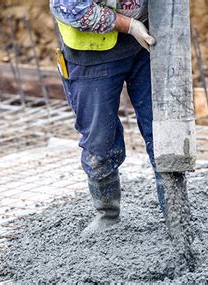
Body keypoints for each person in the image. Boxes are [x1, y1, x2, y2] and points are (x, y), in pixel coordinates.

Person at [50, 0, 163, 235]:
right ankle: (108, 213)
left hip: (147, 42)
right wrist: (130, 26)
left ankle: (175, 210)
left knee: (164, 129)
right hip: (91, 55)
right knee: (99, 140)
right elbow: (71, 8)